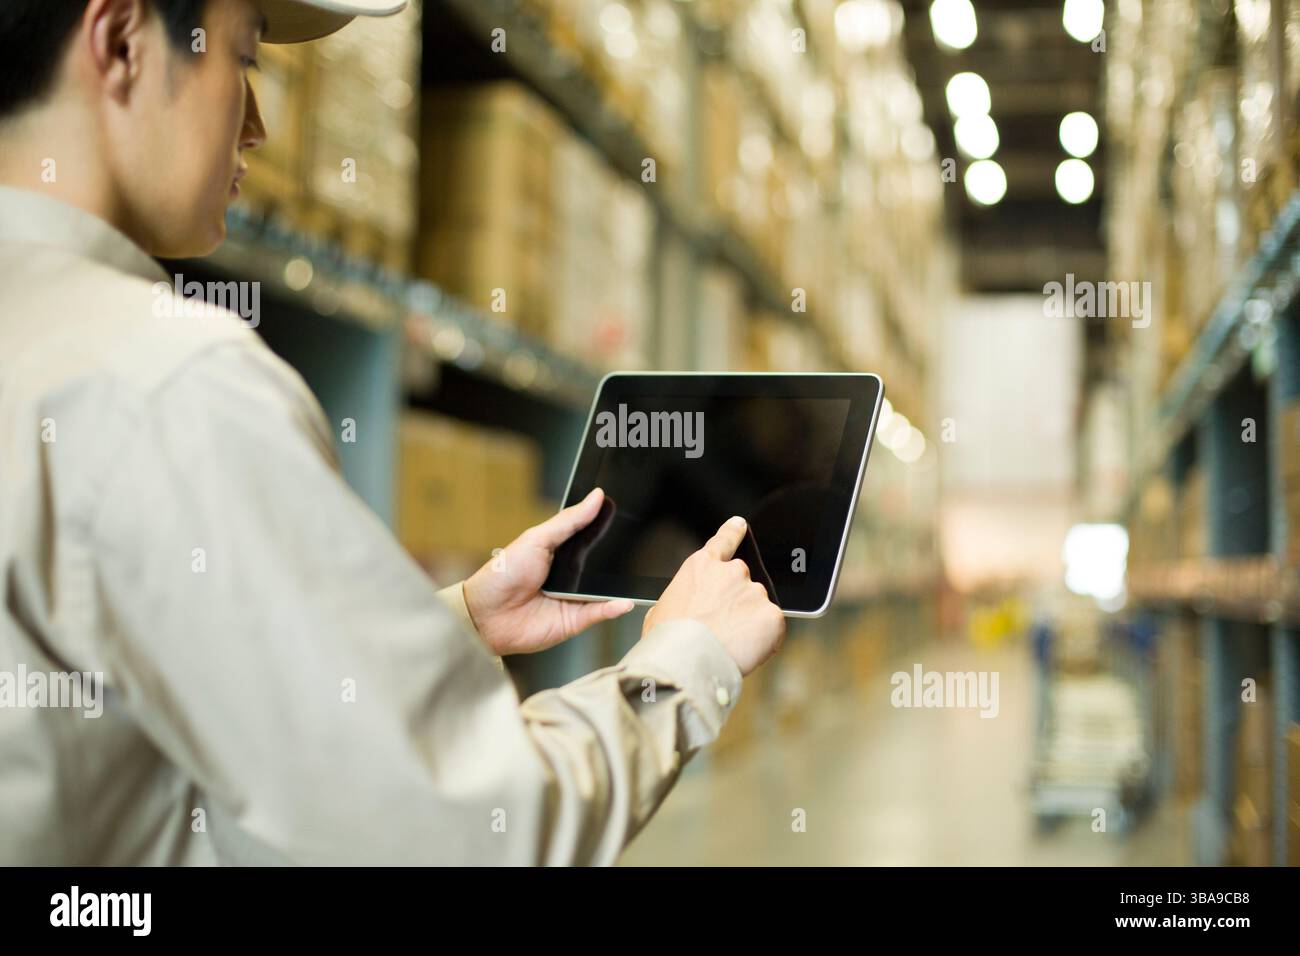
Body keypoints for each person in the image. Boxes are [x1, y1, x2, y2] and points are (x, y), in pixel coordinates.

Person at [0, 0, 785, 865]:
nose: (257, 125)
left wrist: (454, 623)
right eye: (246, 57)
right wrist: (685, 662)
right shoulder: (171, 382)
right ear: (119, 44)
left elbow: (147, 708)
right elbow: (465, 833)